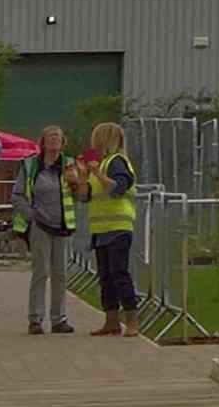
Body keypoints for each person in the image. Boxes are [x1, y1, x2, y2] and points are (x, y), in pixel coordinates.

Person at [83, 120, 143, 336]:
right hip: (100, 230)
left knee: (119, 273)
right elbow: (86, 196)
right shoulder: (100, 164)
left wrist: (97, 173)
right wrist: (79, 179)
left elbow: (118, 188)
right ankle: (111, 321)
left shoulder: (116, 162)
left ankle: (132, 322)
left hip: (118, 227)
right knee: (105, 276)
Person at [16, 130, 75, 334]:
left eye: (58, 135)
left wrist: (79, 182)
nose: (54, 139)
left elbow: (80, 193)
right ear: (42, 141)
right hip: (40, 225)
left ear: (63, 141)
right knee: (40, 271)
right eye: (50, 135)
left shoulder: (69, 164)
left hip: (62, 225)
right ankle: (35, 319)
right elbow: (18, 194)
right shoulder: (31, 165)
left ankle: (59, 319)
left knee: (61, 273)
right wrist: (31, 215)